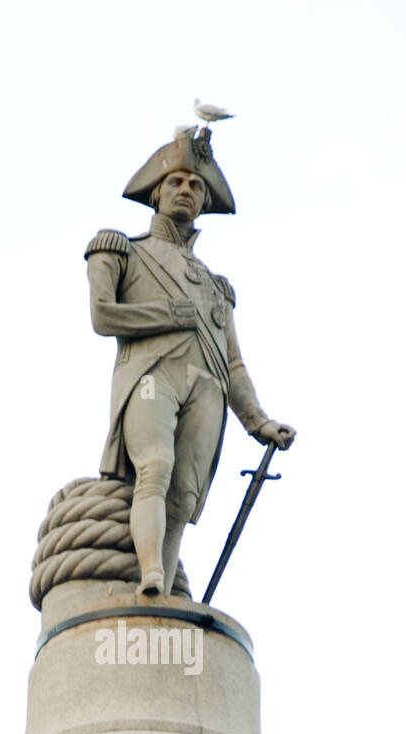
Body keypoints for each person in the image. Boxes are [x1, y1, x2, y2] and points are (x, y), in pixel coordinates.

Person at [85, 128, 295, 596]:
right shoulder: (122, 249)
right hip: (151, 374)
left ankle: (163, 584)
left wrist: (258, 421)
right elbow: (102, 316)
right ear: (156, 192)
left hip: (208, 389)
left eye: (195, 185)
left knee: (183, 494)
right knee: (155, 466)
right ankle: (151, 575)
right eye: (176, 182)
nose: (185, 190)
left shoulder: (216, 286)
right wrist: (166, 314)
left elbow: (234, 364)